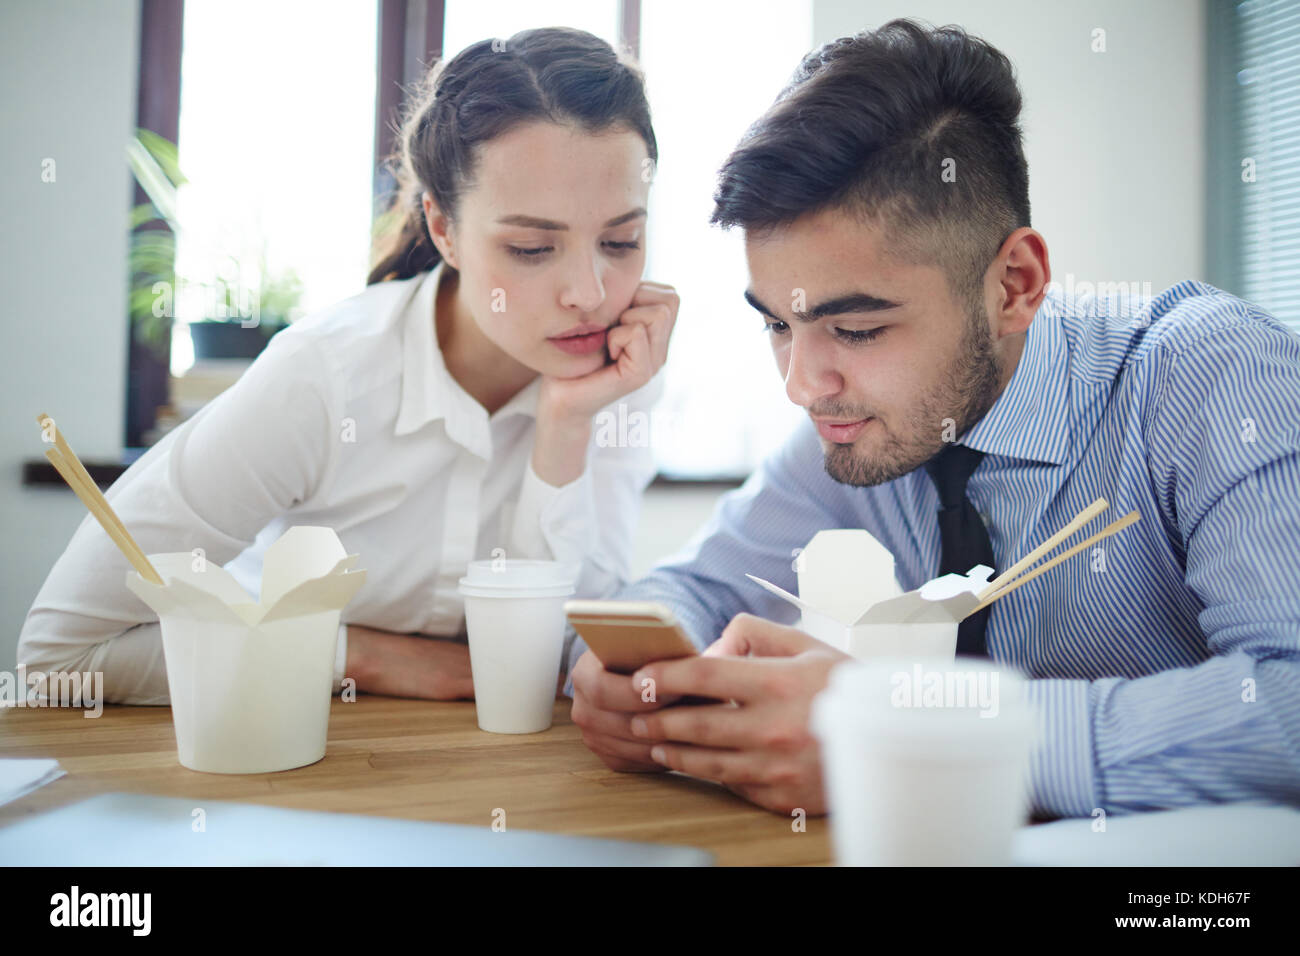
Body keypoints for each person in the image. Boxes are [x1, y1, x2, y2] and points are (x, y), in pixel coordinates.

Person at [567, 18, 1300, 819]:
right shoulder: (854, 428)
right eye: (779, 323)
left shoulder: (1212, 379)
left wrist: (912, 735)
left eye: (858, 330)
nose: (803, 384)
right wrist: (635, 670)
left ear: (1015, 285)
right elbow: (692, 587)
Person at [20, 27, 678, 705]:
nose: (592, 294)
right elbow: (57, 658)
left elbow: (557, 665)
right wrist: (359, 656)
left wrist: (567, 421)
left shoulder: (616, 374)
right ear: (444, 228)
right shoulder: (325, 378)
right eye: (534, 248)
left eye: (621, 239)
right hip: (276, 760)